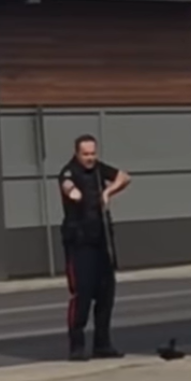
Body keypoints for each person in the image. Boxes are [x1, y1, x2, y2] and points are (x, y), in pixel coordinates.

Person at [59, 134, 131, 361]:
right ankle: (77, 345)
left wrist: (108, 192)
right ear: (77, 153)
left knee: (106, 293)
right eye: (86, 154)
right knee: (82, 293)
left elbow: (124, 177)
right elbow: (67, 186)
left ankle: (102, 344)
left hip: (102, 240)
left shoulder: (99, 169)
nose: (90, 158)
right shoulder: (69, 171)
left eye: (93, 153)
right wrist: (74, 193)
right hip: (80, 242)